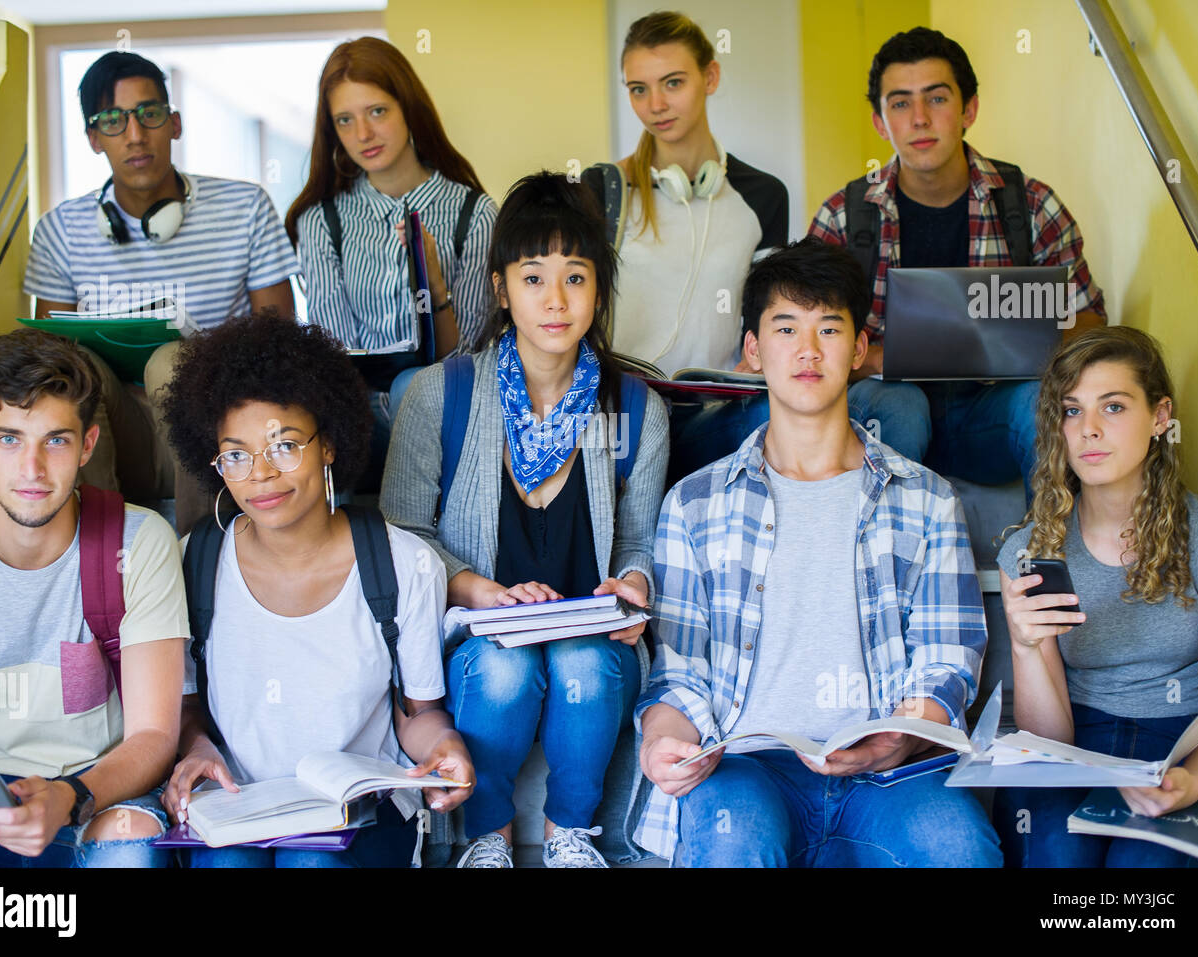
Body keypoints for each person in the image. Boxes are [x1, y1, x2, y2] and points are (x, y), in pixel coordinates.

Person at [635, 238, 1001, 867]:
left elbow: (947, 661)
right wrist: (663, 742)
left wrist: (897, 737)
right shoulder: (694, 504)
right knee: (732, 845)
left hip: (888, 777)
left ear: (860, 349)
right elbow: (676, 672)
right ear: (753, 351)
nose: (808, 349)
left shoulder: (927, 500)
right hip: (745, 766)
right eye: (786, 328)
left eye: (830, 328)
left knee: (960, 847)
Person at [381, 173, 668, 867]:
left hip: (592, 642)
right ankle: (488, 837)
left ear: (599, 289)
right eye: (534, 277)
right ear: (501, 285)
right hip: (478, 638)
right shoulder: (437, 395)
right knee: (506, 670)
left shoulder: (632, 409)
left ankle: (573, 832)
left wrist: (631, 586)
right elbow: (401, 539)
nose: (557, 300)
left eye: (576, 277)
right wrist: (483, 591)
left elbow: (638, 542)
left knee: (584, 667)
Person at [157, 312, 474, 868]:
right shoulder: (194, 561)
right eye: (236, 453)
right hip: (239, 806)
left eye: (284, 445)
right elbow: (186, 706)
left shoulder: (404, 564)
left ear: (328, 445)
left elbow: (416, 712)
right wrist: (197, 749)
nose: (260, 473)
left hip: (359, 816)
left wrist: (443, 748)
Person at [0, 329, 187, 867]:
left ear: (88, 444)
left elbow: (155, 734)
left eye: (56, 440)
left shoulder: (137, 541)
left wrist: (71, 796)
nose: (32, 470)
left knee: (129, 851)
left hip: (99, 792)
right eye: (9, 438)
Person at [808, 27, 1106, 494]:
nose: (920, 119)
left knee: (1036, 402)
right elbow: (806, 335)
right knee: (900, 403)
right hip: (886, 407)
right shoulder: (845, 216)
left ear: (968, 109)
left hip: (991, 410)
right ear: (881, 123)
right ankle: (881, 553)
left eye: (937, 99)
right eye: (901, 103)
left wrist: (1007, 341)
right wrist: (873, 359)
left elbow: (1091, 326)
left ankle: (1048, 556)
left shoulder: (1029, 206)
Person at [24, 51, 300, 533]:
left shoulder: (245, 207)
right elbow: (52, 364)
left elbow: (277, 341)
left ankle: (202, 545)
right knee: (71, 365)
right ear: (93, 139)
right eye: (112, 121)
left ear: (174, 123)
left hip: (217, 432)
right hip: (113, 435)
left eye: (149, 115)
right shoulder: (59, 230)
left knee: (171, 361)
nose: (135, 135)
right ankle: (97, 545)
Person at [994, 327, 1198, 867]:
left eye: (1114, 407)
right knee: (1055, 854)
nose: (1089, 430)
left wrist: (1191, 780)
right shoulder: (1030, 549)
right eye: (1072, 411)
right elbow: (1047, 736)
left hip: (1185, 744)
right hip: (1078, 744)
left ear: (1160, 416)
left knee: (1146, 870)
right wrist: (1027, 648)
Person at [581, 10, 788, 484]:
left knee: (777, 421)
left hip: (716, 412)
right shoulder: (604, 189)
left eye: (673, 83)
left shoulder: (763, 195)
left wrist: (755, 361)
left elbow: (770, 312)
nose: (655, 104)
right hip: (621, 415)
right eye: (638, 89)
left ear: (709, 77)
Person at [285, 37, 497, 486]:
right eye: (346, 120)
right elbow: (333, 347)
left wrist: (435, 287)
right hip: (356, 414)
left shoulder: (473, 213)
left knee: (412, 387)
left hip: (453, 412)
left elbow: (474, 357)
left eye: (377, 112)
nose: (363, 135)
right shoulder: (322, 221)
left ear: (409, 109)